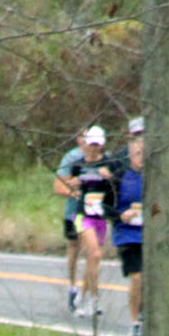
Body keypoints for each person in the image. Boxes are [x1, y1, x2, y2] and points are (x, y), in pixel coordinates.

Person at [64, 124, 118, 317]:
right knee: (94, 254)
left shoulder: (108, 162)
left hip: (99, 215)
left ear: (101, 145)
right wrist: (73, 185)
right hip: (83, 214)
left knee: (93, 259)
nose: (94, 148)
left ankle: (81, 297)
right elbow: (72, 185)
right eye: (91, 144)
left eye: (97, 145)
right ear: (85, 144)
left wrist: (110, 177)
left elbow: (116, 186)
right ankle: (94, 300)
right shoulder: (78, 164)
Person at [54, 130, 91, 314]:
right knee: (73, 248)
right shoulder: (72, 158)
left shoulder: (100, 158)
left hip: (91, 213)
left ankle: (86, 294)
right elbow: (58, 185)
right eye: (84, 137)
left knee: (91, 251)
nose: (87, 141)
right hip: (72, 212)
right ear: (78, 139)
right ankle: (72, 286)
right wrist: (72, 192)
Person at [113, 128, 144, 336]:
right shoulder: (120, 177)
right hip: (127, 235)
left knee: (150, 280)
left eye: (144, 153)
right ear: (130, 155)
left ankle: (143, 313)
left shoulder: (154, 177)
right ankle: (134, 321)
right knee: (137, 277)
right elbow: (106, 207)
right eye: (138, 153)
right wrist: (121, 215)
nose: (141, 157)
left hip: (149, 235)